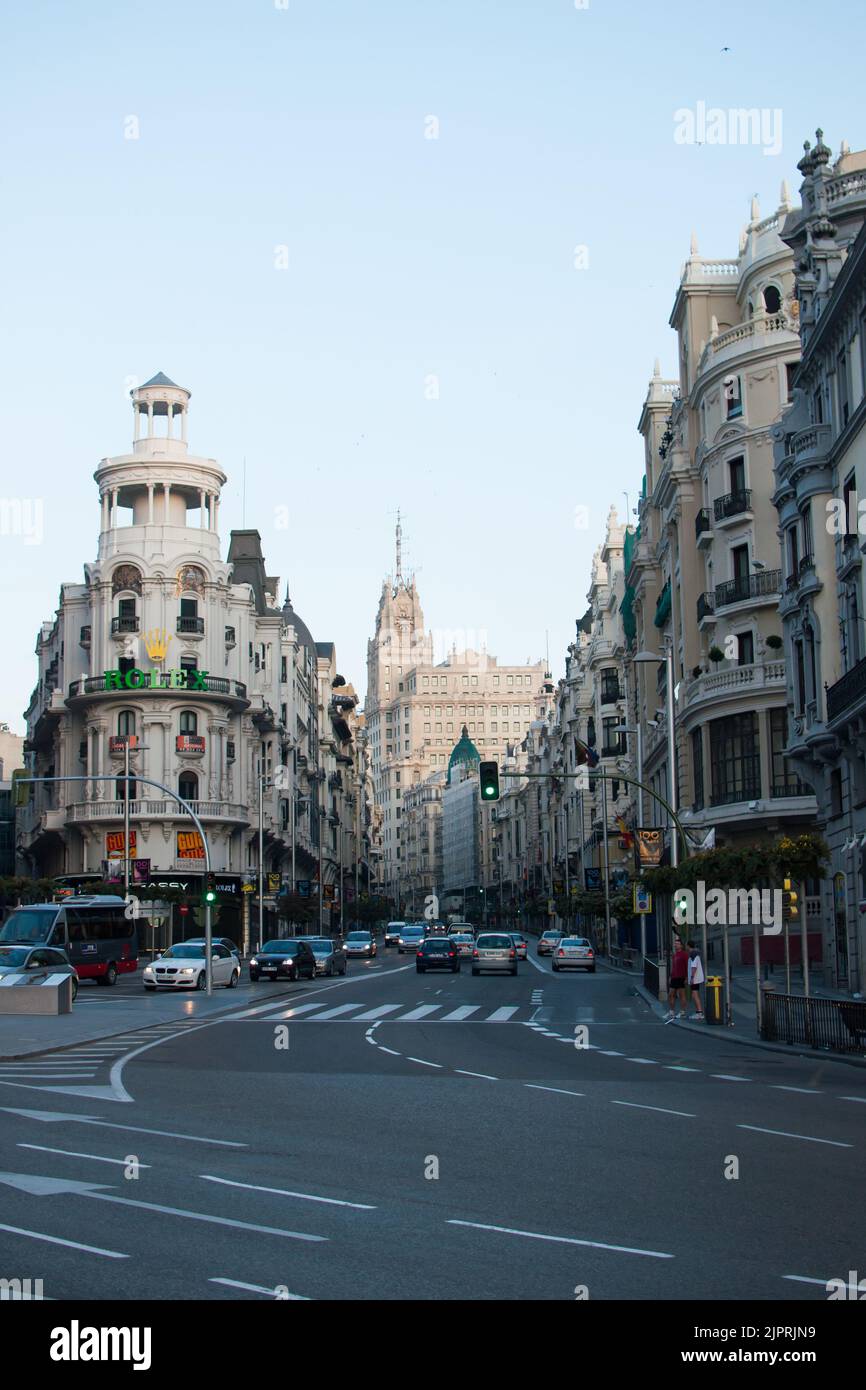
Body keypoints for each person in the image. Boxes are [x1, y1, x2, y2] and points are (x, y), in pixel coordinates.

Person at [664, 937, 689, 1021]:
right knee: (671, 994)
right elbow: (673, 967)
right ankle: (671, 1011)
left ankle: (682, 1012)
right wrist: (671, 976)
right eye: (675, 944)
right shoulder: (674, 955)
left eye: (677, 944)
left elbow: (687, 966)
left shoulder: (684, 954)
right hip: (674, 977)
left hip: (681, 977)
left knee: (682, 995)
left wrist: (686, 977)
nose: (676, 945)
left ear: (681, 946)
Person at [687, 940, 705, 1020]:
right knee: (694, 994)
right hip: (696, 978)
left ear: (688, 946)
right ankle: (698, 1012)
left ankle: (699, 1012)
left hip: (695, 978)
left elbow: (694, 967)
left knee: (695, 995)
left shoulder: (693, 954)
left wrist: (691, 978)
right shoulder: (695, 954)